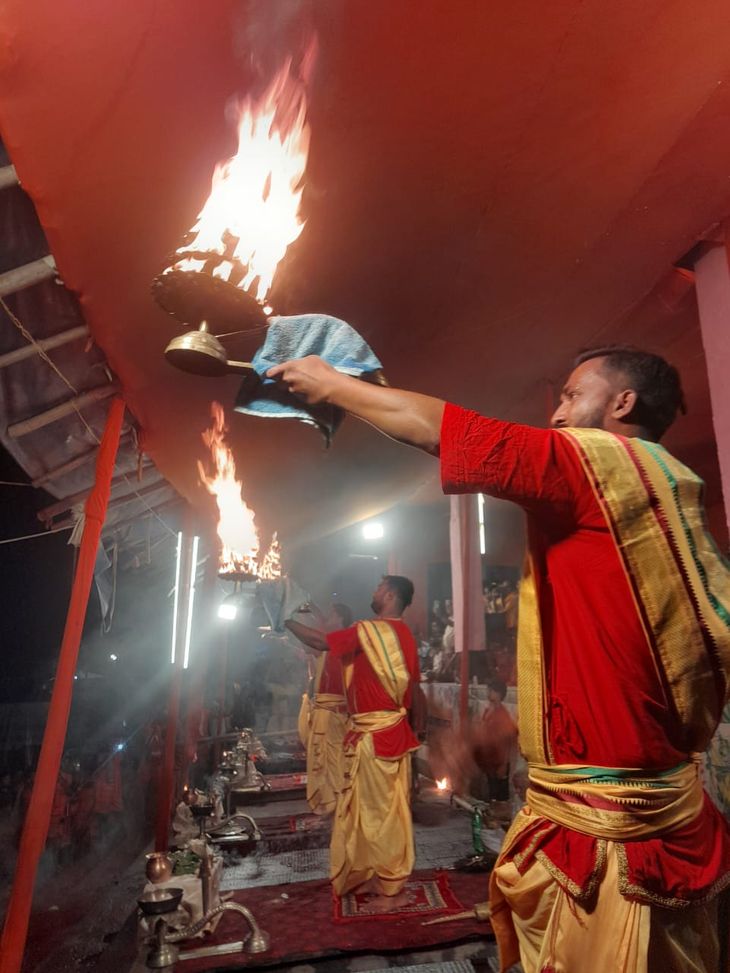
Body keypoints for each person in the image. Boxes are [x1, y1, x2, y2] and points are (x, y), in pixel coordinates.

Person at [269, 346, 730, 973]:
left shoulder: (596, 462)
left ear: (622, 403)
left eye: (572, 395)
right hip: (658, 812)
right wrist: (506, 729)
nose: (559, 414)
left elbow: (445, 430)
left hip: (608, 845)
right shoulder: (668, 498)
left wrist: (332, 383)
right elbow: (628, 665)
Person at [286, 575, 421, 912]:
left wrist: (285, 620)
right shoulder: (392, 634)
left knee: (382, 816)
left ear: (389, 595)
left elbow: (321, 642)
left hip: (379, 737)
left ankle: (393, 892)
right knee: (366, 813)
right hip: (371, 734)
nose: (373, 591)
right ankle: (378, 874)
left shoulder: (378, 632)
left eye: (378, 587)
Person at [292, 602, 352, 815]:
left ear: (341, 619)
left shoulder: (341, 641)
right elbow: (308, 648)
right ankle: (332, 803)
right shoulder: (332, 641)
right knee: (325, 759)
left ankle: (338, 805)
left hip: (335, 713)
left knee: (333, 760)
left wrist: (289, 621)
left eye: (332, 614)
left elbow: (313, 642)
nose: (328, 618)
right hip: (327, 711)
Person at [473, 678, 517, 802]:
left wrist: (503, 764)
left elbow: (508, 741)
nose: (488, 693)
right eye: (488, 690)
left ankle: (500, 818)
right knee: (492, 792)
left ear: (498, 694)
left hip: (499, 761)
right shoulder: (488, 711)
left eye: (490, 691)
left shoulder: (503, 714)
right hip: (489, 759)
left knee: (500, 795)